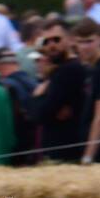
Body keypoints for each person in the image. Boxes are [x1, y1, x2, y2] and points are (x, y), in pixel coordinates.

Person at [31, 19, 86, 162]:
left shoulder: (68, 70)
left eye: (56, 39)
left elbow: (40, 114)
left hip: (66, 151)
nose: (51, 45)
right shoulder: (58, 70)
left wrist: (39, 94)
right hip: (59, 149)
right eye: (46, 41)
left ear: (69, 39)